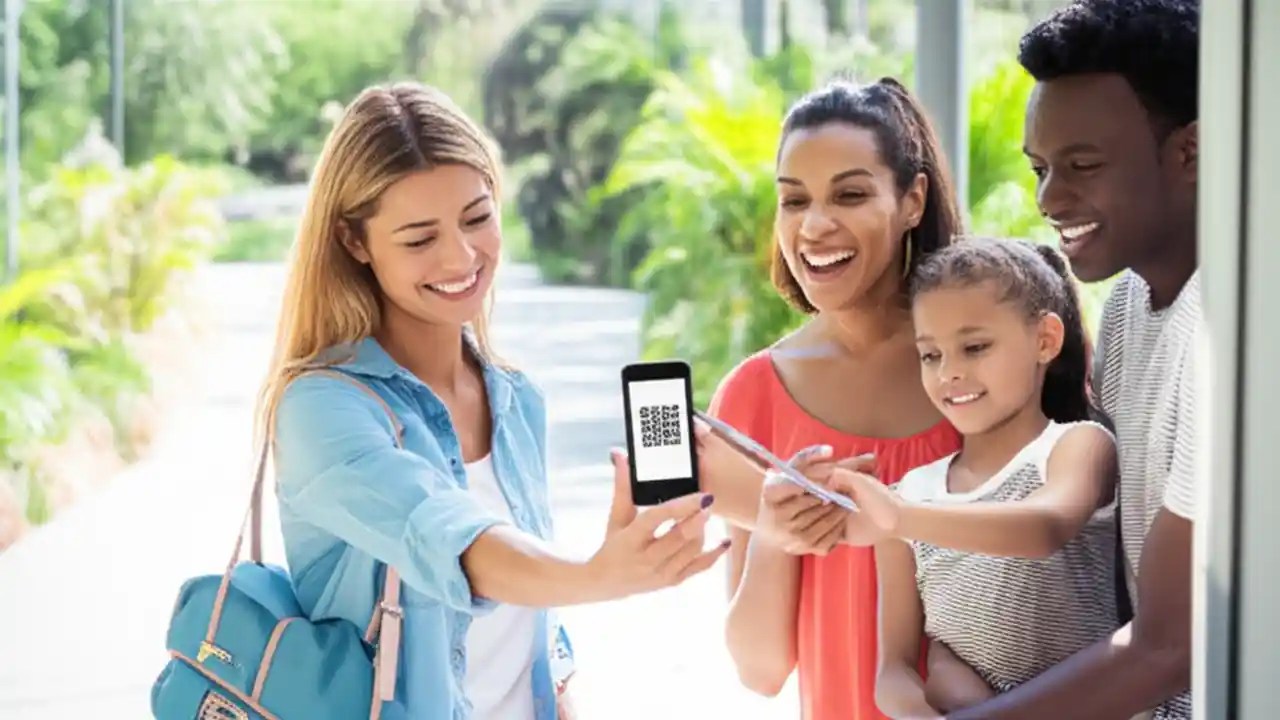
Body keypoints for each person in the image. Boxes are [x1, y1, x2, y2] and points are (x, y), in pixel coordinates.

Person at [257, 82, 731, 720]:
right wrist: (597, 573)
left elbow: (527, 628)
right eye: (420, 239)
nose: (461, 256)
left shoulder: (513, 398)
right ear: (354, 242)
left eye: (477, 218)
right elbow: (446, 537)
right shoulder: (322, 409)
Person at [889, 2, 1203, 718]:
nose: (1049, 199)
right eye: (1040, 168)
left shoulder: (1226, 327)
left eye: (1083, 166)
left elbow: (1167, 647)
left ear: (1190, 152)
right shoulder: (1126, 304)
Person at [705, 76, 964, 720]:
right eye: (794, 202)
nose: (815, 226)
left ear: (912, 200)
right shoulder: (753, 396)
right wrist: (774, 536)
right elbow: (760, 671)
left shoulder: (987, 361)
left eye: (849, 195)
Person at [795, 238, 1122, 718]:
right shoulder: (911, 495)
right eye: (931, 355)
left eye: (975, 347)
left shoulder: (1076, 446)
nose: (950, 372)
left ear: (1045, 340)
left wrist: (899, 519)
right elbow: (895, 671)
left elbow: (1044, 528)